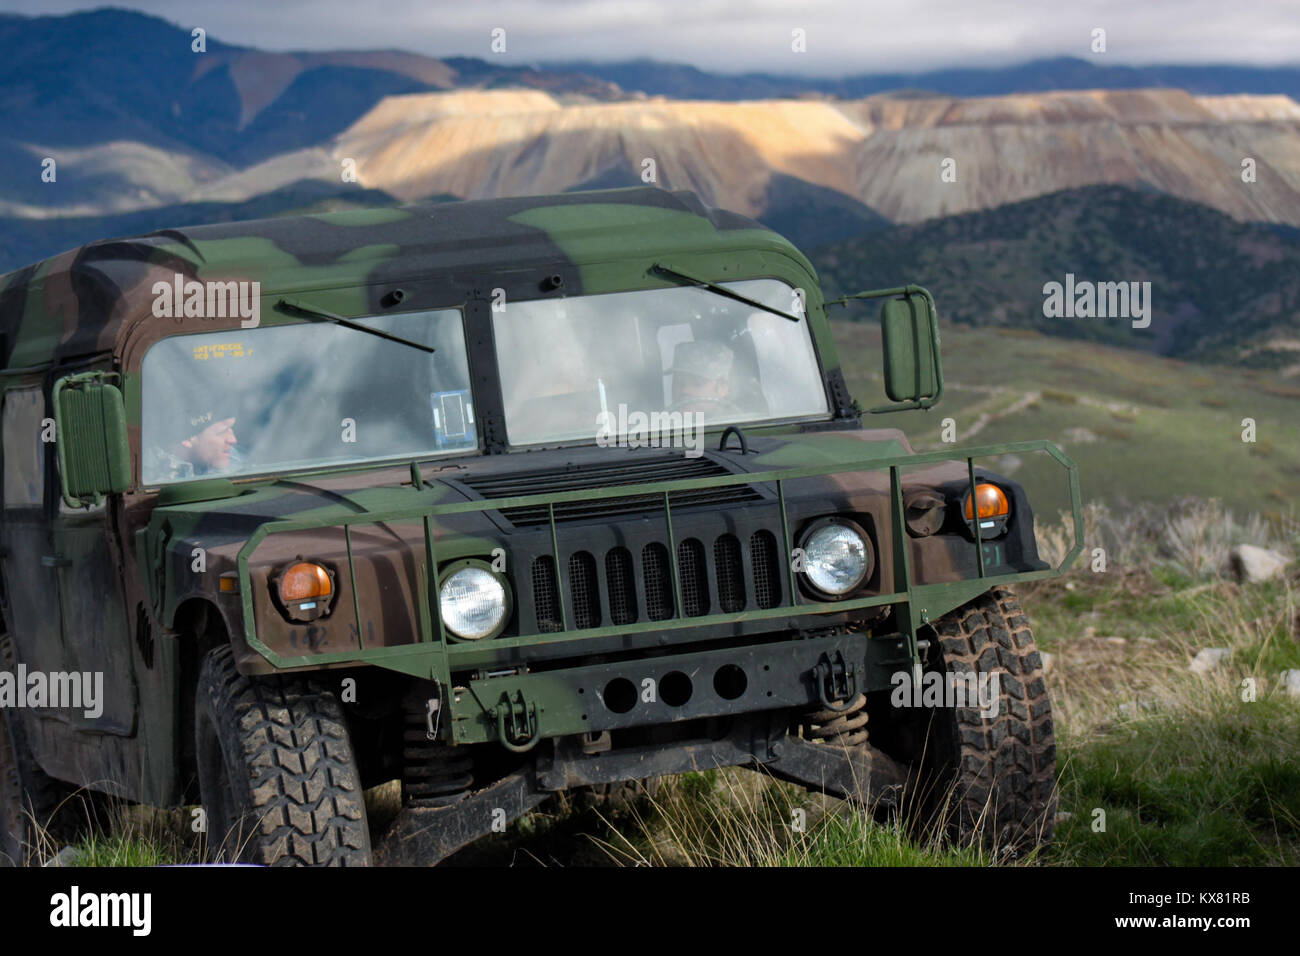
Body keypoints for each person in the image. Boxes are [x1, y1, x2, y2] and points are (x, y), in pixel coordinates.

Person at [146, 407, 243, 482]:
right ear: (188, 439)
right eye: (222, 432)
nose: (233, 440)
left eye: (231, 429)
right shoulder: (151, 477)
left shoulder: (232, 456)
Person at [667, 339, 745, 418]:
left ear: (722, 387)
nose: (685, 390)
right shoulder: (659, 426)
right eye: (678, 382)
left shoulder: (738, 425)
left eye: (697, 383)